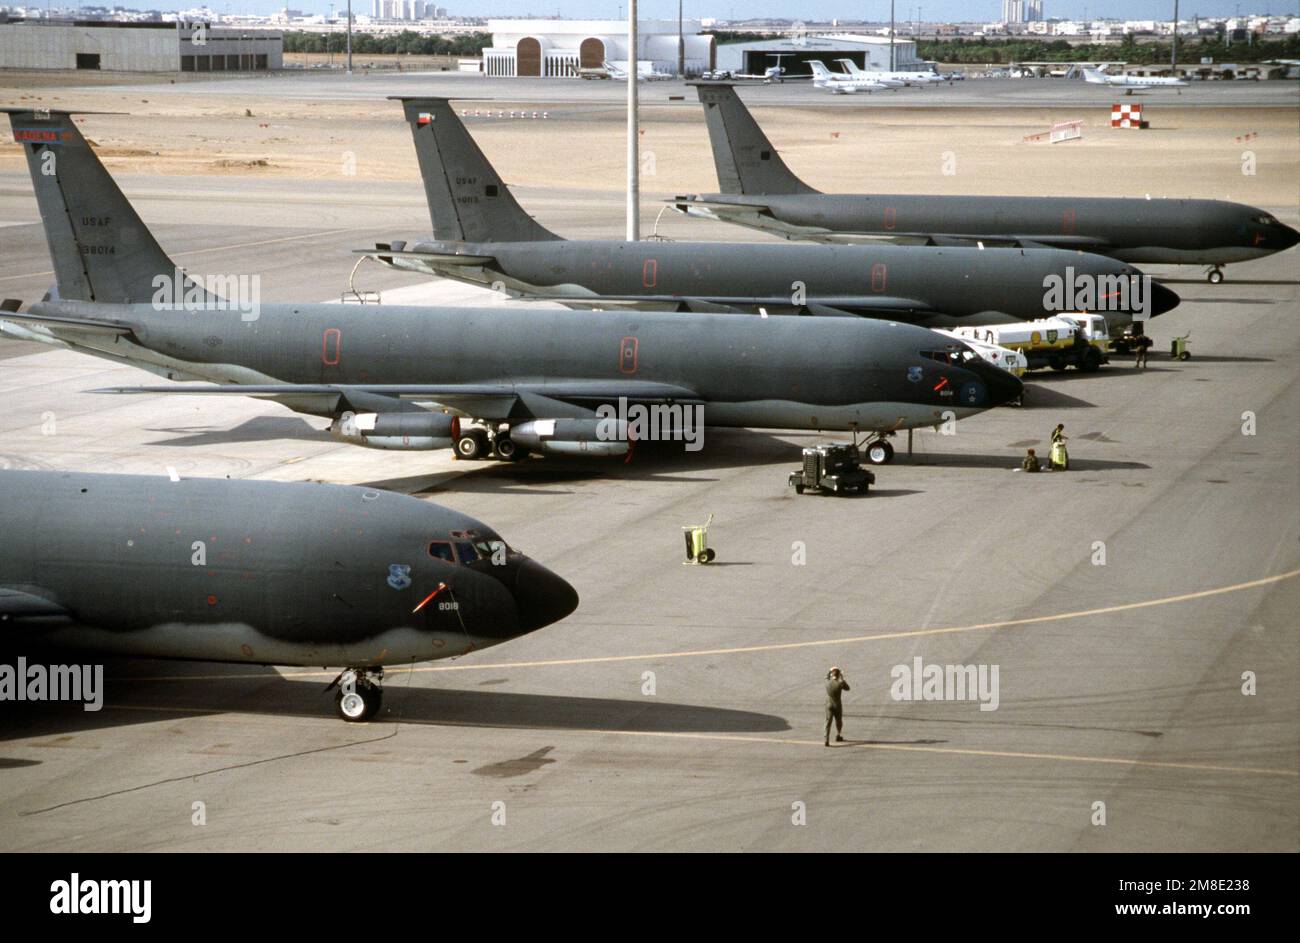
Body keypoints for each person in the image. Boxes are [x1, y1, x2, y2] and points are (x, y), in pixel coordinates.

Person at [824, 667, 850, 746]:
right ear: (839, 675)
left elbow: (826, 677)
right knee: (838, 721)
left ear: (832, 675)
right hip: (837, 705)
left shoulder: (827, 682)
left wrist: (829, 670)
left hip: (828, 704)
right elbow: (848, 688)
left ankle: (826, 739)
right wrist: (842, 678)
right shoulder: (840, 683)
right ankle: (838, 735)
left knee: (828, 722)